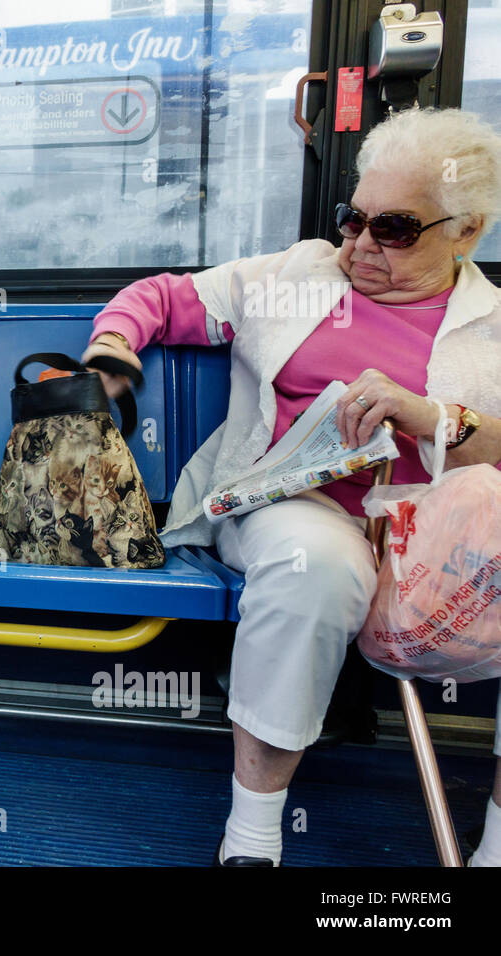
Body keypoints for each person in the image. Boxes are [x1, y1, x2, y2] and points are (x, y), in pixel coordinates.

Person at [81, 107, 501, 866]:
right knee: (318, 567)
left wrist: (429, 416)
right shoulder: (295, 276)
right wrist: (112, 346)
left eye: (394, 229)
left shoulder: (494, 325)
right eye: (353, 219)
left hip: (439, 541)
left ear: (465, 231)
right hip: (297, 506)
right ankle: (252, 835)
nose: (360, 246)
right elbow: (163, 298)